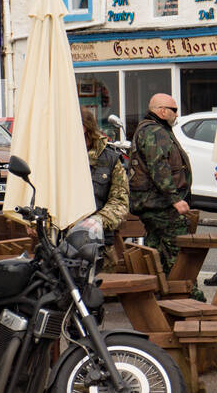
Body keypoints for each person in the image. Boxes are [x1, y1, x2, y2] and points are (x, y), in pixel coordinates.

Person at [128, 93, 204, 299]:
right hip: (159, 204)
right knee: (179, 250)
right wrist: (175, 199)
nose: (176, 114)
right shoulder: (154, 131)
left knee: (156, 249)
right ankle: (189, 296)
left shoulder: (152, 129)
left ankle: (158, 293)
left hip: (152, 204)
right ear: (162, 111)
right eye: (174, 110)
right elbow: (159, 168)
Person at [83, 108, 129, 271]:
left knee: (103, 293)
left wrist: (98, 220)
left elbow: (120, 201)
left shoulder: (109, 159)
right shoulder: (55, 157)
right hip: (59, 245)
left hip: (99, 244)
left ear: (85, 128)